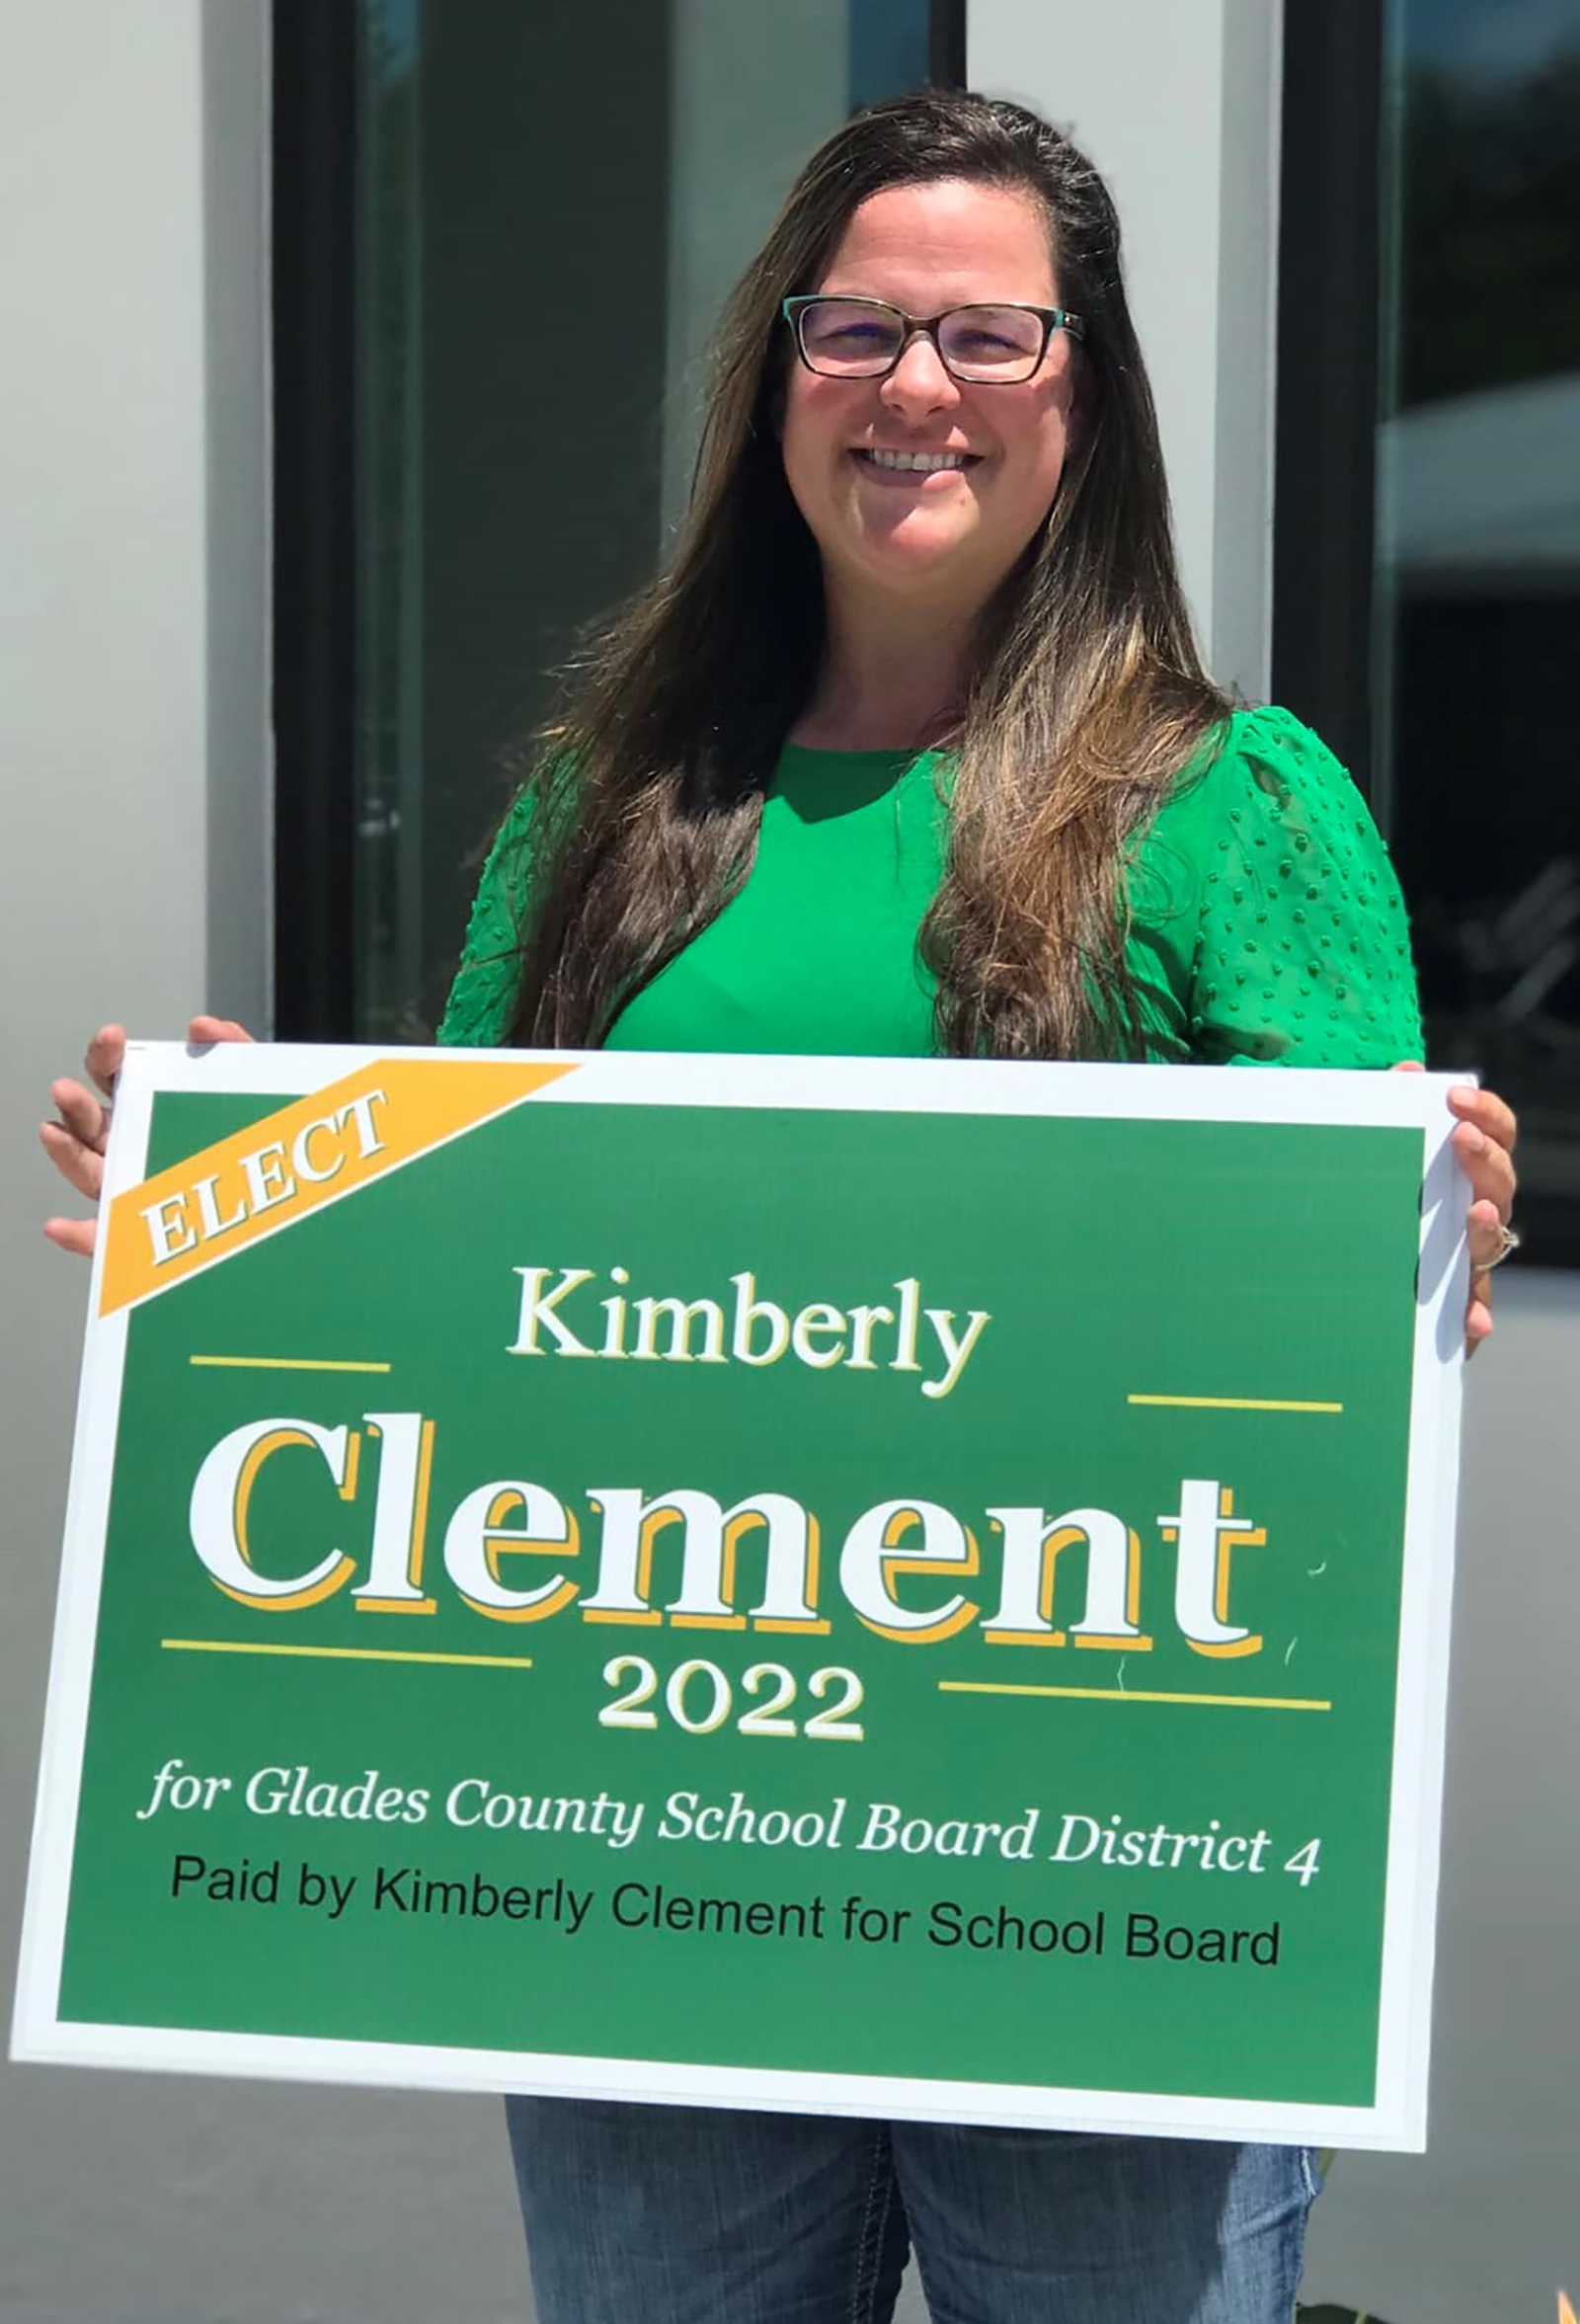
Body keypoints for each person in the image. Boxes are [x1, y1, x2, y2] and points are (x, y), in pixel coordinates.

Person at [42, 89, 1518, 2324]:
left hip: (1092, 1887)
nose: (913, 386)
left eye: (986, 337)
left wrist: (1440, 1232)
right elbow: (472, 1260)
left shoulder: (1241, 806)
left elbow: (1328, 1342)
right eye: (852, 329)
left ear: (1082, 395)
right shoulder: (598, 812)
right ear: (774, 378)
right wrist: (245, 1193)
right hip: (653, 1872)